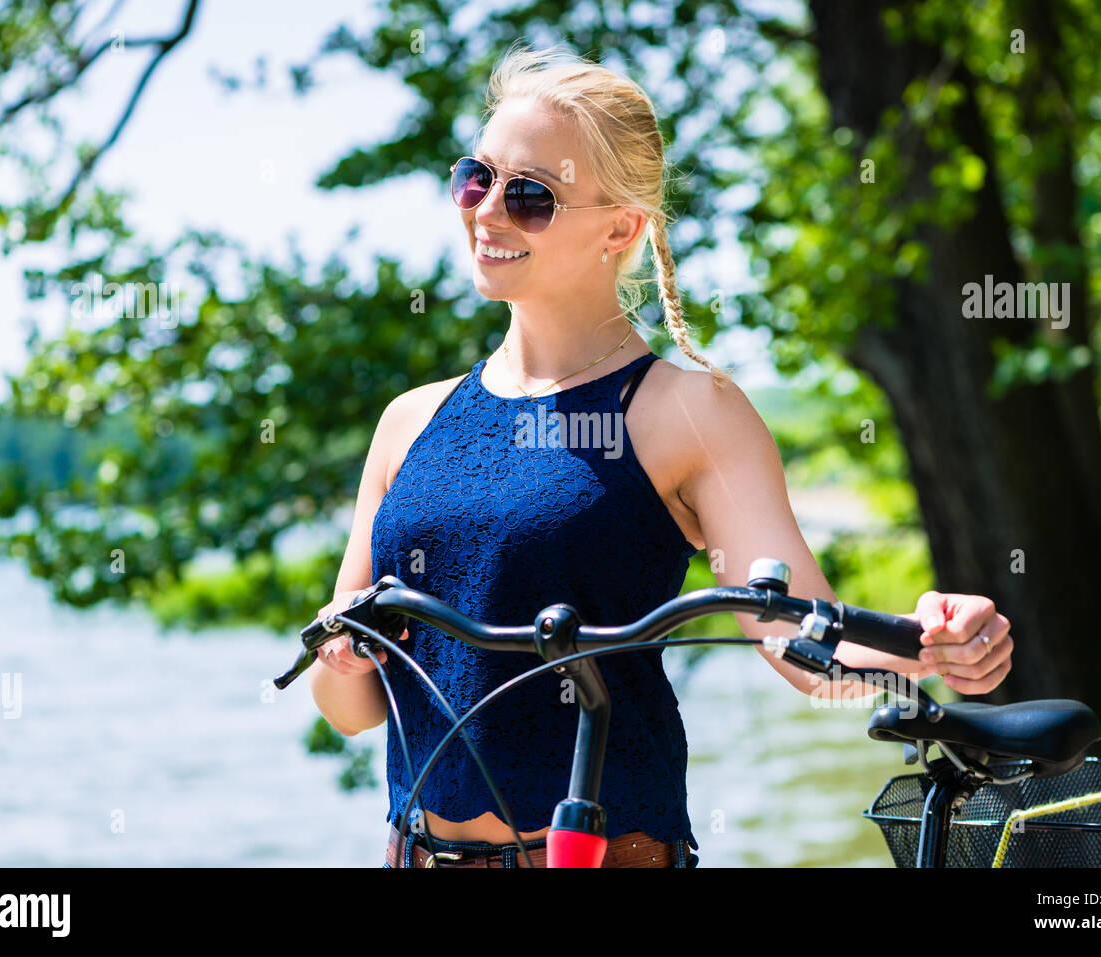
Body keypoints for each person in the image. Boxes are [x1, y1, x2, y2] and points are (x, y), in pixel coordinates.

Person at [307, 42, 1013, 868]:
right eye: (477, 176)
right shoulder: (409, 422)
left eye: (531, 195)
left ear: (621, 227)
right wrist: (342, 654)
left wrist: (927, 642)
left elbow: (803, 644)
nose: (488, 210)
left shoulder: (688, 412)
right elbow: (350, 708)